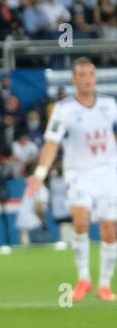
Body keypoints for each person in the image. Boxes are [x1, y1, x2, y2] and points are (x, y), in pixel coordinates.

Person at [25, 58, 117, 300]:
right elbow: (51, 143)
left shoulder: (109, 104)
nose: (87, 79)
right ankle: (83, 278)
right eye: (82, 75)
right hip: (79, 173)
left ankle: (105, 285)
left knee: (110, 229)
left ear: (95, 78)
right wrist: (39, 174)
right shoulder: (63, 109)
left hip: (109, 172)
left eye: (91, 74)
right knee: (80, 221)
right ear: (74, 80)